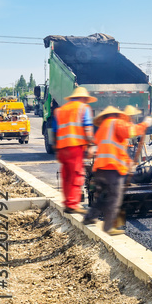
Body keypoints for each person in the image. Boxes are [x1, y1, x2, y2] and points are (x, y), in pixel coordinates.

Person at [85, 106, 152, 234]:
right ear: (124, 116)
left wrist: (129, 163)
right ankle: (109, 226)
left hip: (101, 167)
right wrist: (145, 124)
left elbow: (117, 150)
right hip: (111, 168)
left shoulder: (104, 127)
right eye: (131, 117)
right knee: (114, 196)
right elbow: (132, 131)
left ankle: (89, 217)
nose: (132, 119)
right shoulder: (117, 123)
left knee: (103, 195)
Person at [52, 86, 97, 214]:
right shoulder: (83, 108)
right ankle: (72, 204)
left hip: (61, 148)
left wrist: (56, 147)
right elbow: (87, 128)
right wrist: (90, 145)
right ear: (83, 98)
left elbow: (55, 131)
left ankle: (67, 203)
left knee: (66, 176)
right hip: (75, 147)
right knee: (76, 175)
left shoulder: (61, 110)